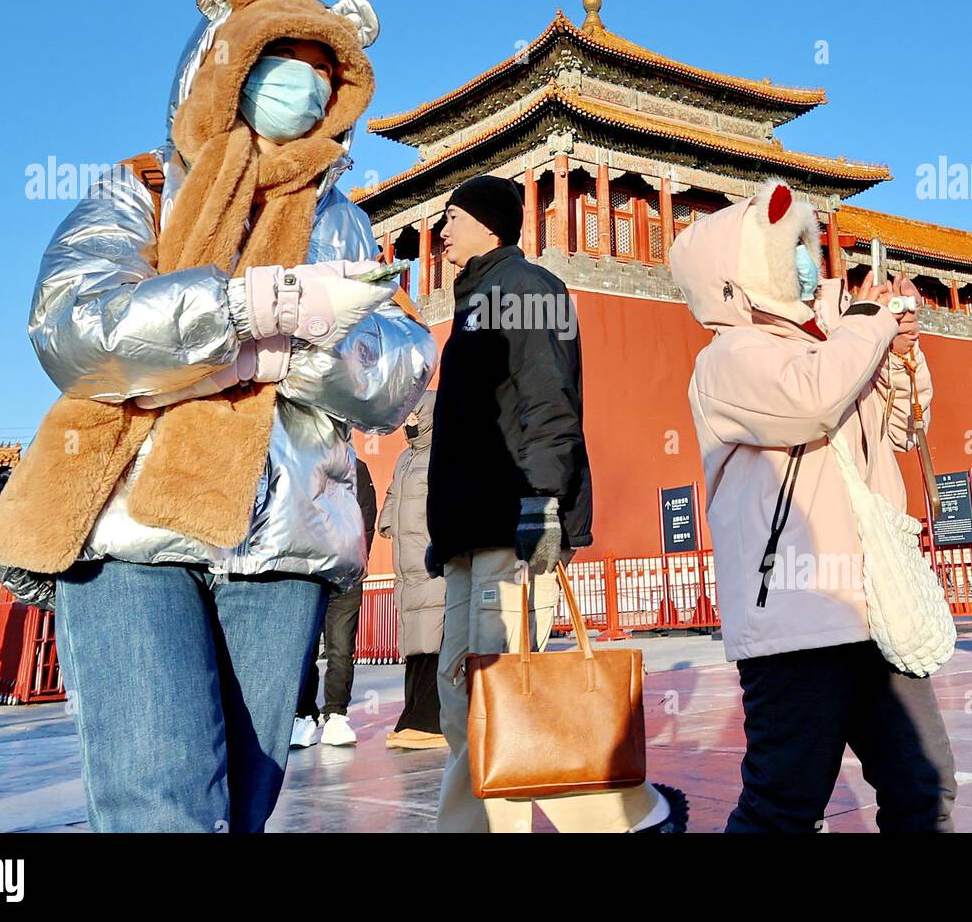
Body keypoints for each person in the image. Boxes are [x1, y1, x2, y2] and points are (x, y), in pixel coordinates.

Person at [0, 0, 436, 832]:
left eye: (320, 69)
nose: (299, 85)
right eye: (277, 59)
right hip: (126, 530)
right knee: (161, 803)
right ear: (219, 64)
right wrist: (245, 309)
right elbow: (74, 326)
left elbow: (403, 364)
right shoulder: (138, 193)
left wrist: (282, 358)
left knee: (239, 809)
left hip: (281, 540)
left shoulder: (342, 219)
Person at [670, 178, 955, 833]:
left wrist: (900, 356)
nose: (805, 261)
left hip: (876, 605)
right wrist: (864, 326)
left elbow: (902, 429)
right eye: (786, 249)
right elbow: (810, 399)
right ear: (736, 277)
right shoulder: (727, 359)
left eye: (806, 245)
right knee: (785, 805)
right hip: (796, 621)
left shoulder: (839, 343)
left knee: (924, 783)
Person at [426, 175, 688, 834]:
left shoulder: (527, 289)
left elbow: (549, 407)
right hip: (470, 534)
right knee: (463, 701)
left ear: (488, 223)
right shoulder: (475, 302)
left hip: (513, 529)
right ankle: (633, 815)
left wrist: (541, 504)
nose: (440, 231)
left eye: (451, 217)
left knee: (499, 699)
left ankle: (610, 817)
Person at [292, 457, 378, 748]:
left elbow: (367, 515)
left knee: (340, 648)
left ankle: (336, 715)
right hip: (309, 573)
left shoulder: (358, 468)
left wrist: (355, 562)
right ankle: (304, 715)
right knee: (303, 648)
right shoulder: (304, 464)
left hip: (346, 575)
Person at [378, 389, 447, 749]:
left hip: (430, 563)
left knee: (433, 639)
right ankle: (412, 713)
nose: (410, 423)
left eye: (416, 416)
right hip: (407, 567)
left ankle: (432, 720)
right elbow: (392, 497)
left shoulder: (443, 456)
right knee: (415, 643)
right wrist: (387, 521)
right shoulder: (406, 459)